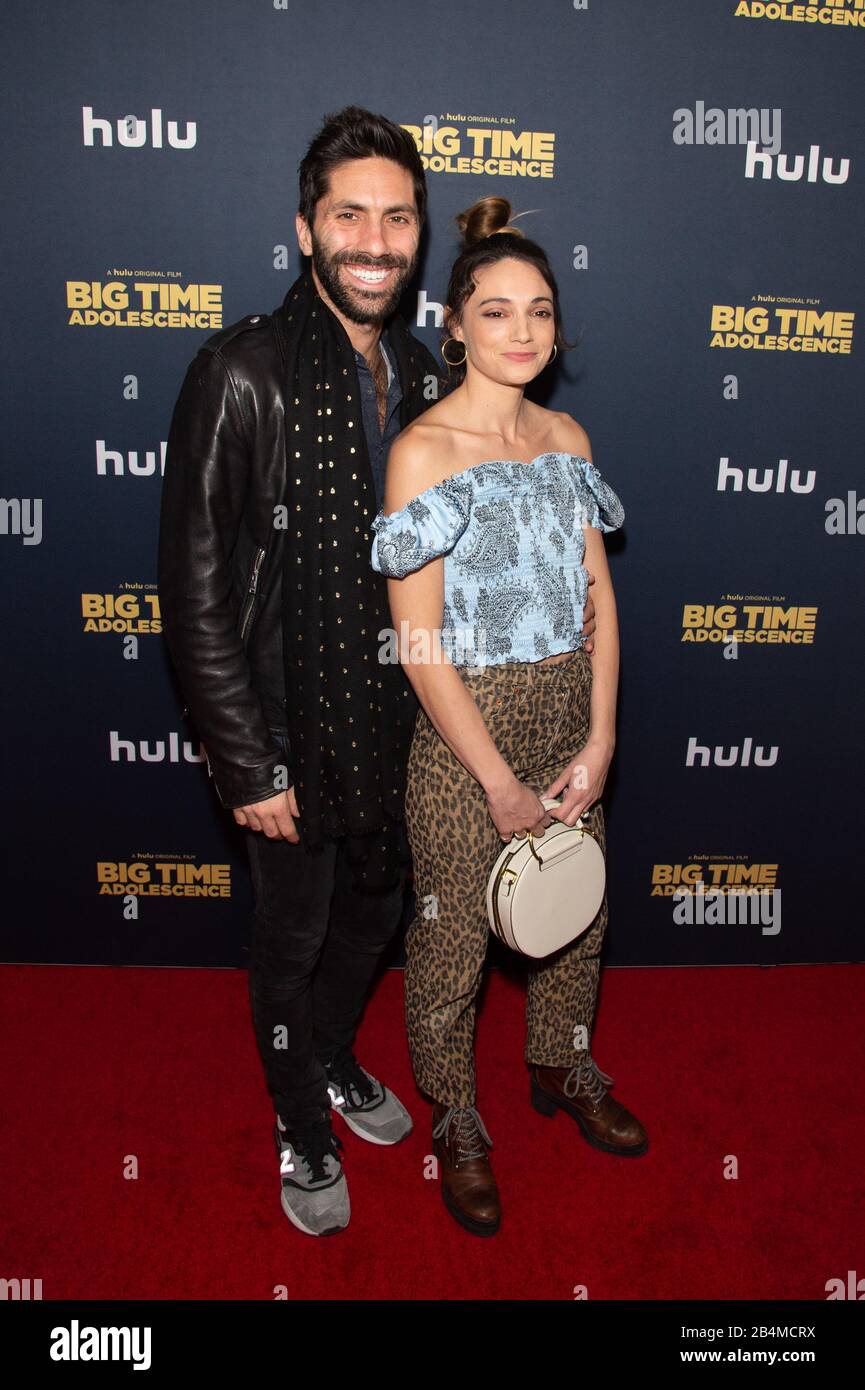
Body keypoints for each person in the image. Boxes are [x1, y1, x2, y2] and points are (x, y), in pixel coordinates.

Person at [158, 107, 454, 1237]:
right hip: (283, 734)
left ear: (417, 235)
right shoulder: (240, 371)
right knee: (288, 944)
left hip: (396, 728)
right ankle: (298, 1117)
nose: (373, 240)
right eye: (349, 216)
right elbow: (191, 585)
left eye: (395, 216)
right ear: (305, 229)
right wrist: (243, 757)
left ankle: (331, 1053)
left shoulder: (426, 380)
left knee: (373, 919)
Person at [370, 195, 646, 1237]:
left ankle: (563, 1067)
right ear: (453, 324)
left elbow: (600, 600)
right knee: (451, 937)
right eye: (496, 311)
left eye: (539, 310)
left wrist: (602, 735)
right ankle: (457, 1117)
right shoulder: (423, 452)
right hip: (462, 730)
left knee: (576, 915)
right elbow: (419, 642)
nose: (523, 331)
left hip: (569, 707)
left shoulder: (567, 434)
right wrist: (491, 775)